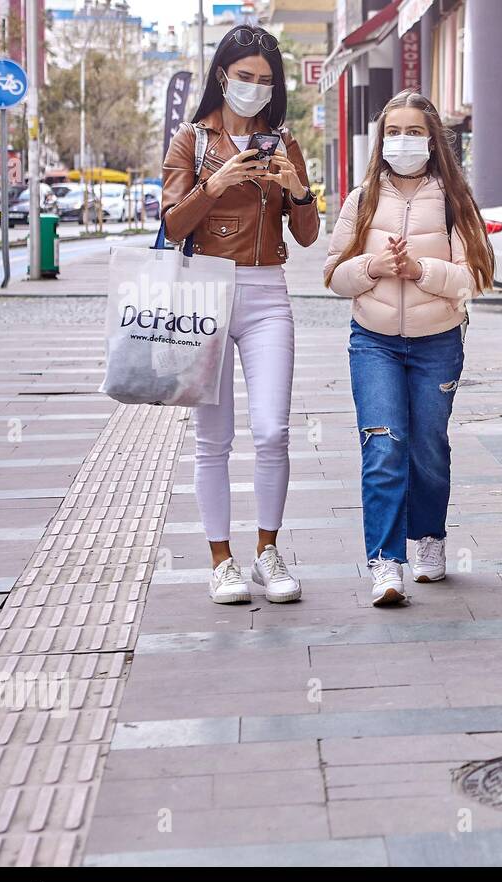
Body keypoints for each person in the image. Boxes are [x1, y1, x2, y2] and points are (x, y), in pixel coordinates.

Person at [161, 25, 321, 605]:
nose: (253, 87)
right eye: (244, 76)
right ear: (222, 75)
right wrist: (216, 181)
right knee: (213, 439)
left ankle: (268, 552)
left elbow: (306, 237)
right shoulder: (190, 141)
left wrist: (298, 190)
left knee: (274, 429)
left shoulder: (283, 144)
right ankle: (221, 559)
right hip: (205, 292)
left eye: (264, 80)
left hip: (266, 293)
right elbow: (173, 224)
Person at [324, 90, 495, 607]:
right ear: (381, 140)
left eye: (414, 131)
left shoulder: (455, 200)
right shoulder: (362, 199)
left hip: (436, 343)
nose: (403, 141)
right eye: (393, 131)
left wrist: (419, 270)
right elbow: (333, 275)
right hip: (372, 341)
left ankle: (429, 540)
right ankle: (385, 562)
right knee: (383, 446)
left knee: (426, 447)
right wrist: (374, 267)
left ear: (433, 139)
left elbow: (477, 278)